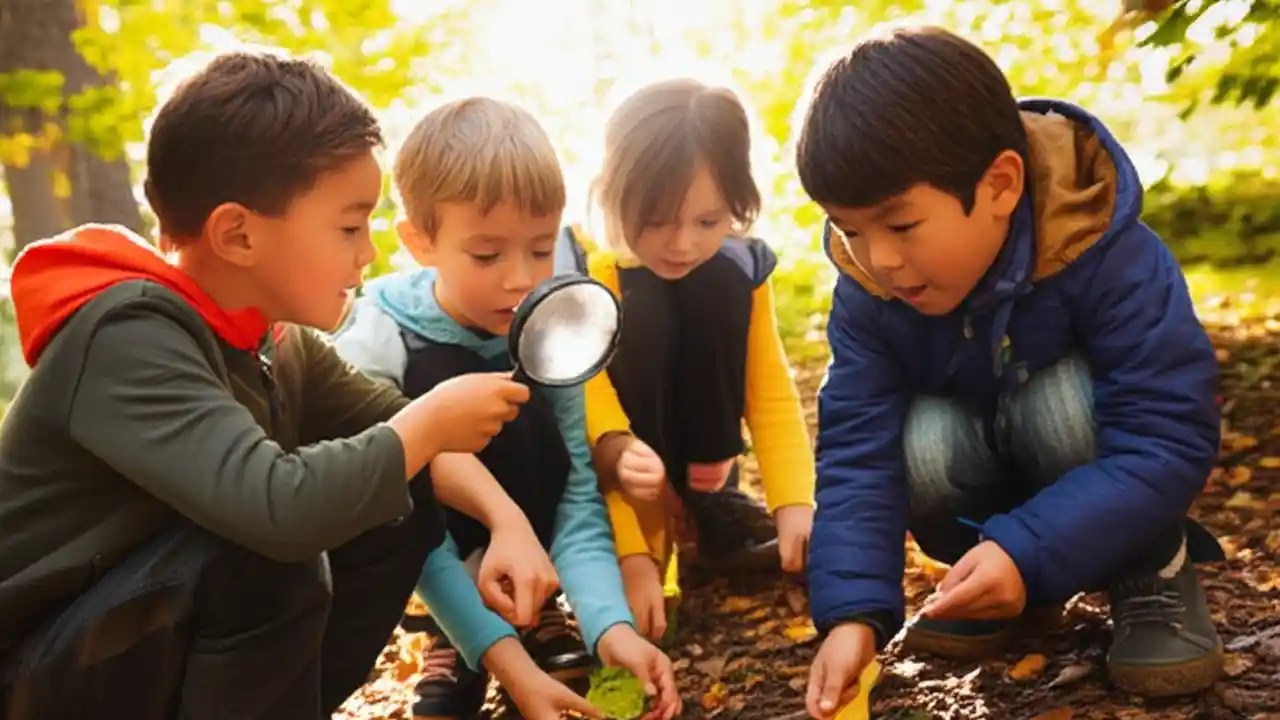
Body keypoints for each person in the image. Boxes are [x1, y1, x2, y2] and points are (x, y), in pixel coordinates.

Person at [0, 51, 545, 718]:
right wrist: (429, 422)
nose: (367, 252)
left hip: (117, 648)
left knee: (396, 491)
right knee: (266, 554)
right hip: (33, 669)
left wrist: (505, 522)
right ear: (238, 234)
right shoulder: (126, 336)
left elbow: (401, 436)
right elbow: (279, 510)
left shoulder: (271, 341)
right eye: (349, 226)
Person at [797, 26, 1224, 718]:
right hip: (991, 487)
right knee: (923, 439)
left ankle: (1152, 569)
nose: (880, 260)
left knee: (1058, 404)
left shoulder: (1105, 253)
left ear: (999, 185)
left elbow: (1167, 436)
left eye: (901, 227)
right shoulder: (870, 294)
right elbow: (856, 454)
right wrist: (853, 614)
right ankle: (998, 588)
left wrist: (1027, 549)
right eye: (850, 230)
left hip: (1100, 469)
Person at [333, 97, 681, 720]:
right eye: (488, 256)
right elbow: (399, 518)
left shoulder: (552, 324)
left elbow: (575, 489)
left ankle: (539, 605)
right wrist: (496, 652)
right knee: (405, 462)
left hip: (529, 532)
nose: (520, 279)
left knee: (532, 427)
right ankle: (458, 636)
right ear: (419, 241)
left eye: (541, 249)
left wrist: (611, 627)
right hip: (431, 548)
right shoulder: (379, 334)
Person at [568, 78, 817, 642]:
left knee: (720, 281)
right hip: (619, 471)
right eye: (656, 221)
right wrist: (634, 554)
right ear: (614, 193)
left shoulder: (733, 267)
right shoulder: (588, 271)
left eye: (707, 222)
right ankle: (656, 532)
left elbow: (768, 387)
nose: (682, 243)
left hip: (693, 457)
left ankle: (709, 508)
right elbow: (585, 406)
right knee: (644, 310)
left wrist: (794, 503)